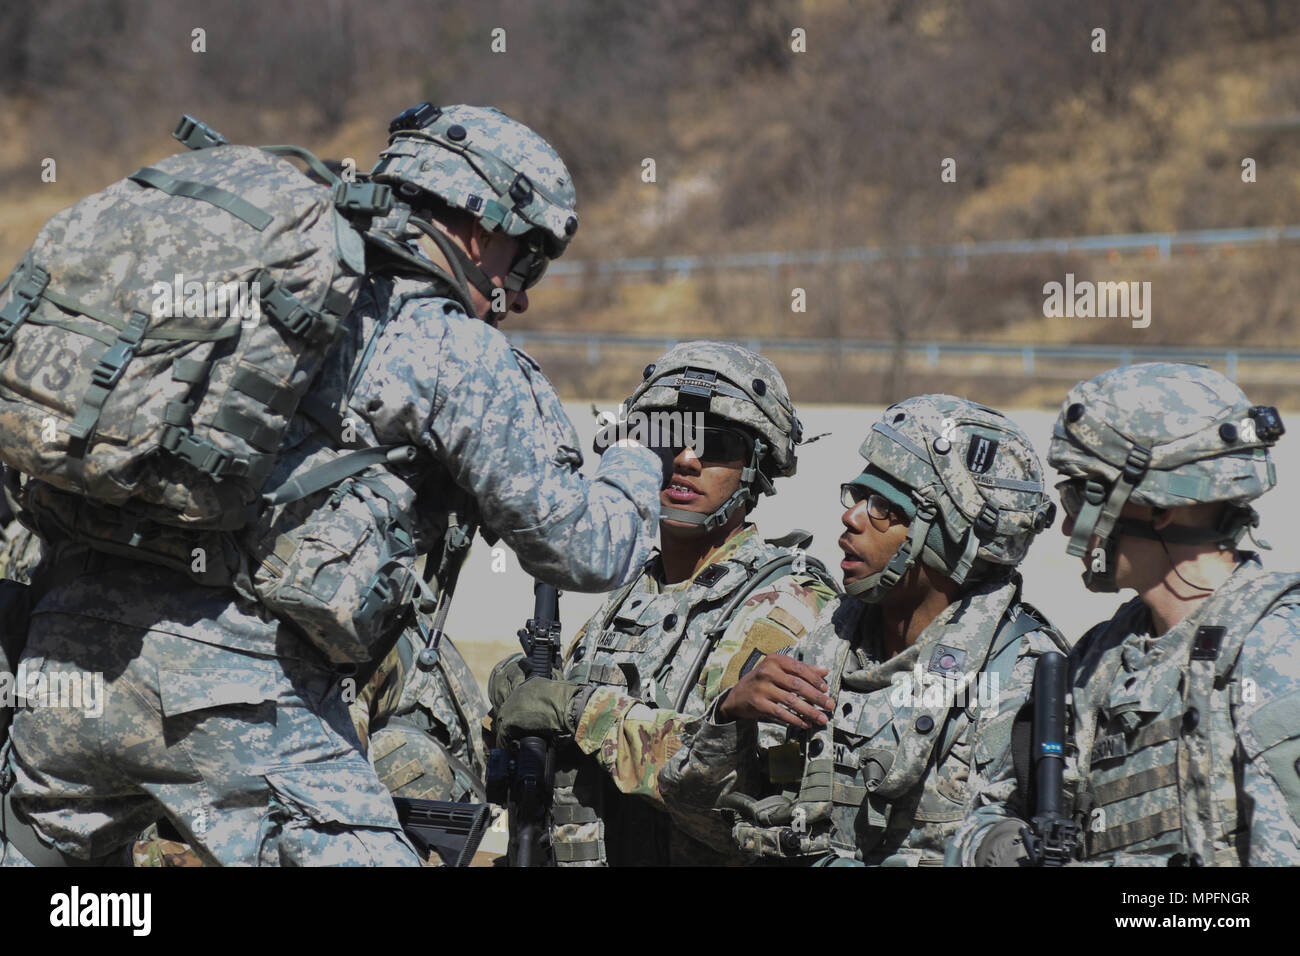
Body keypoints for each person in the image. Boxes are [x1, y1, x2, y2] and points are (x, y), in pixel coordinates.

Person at [0, 104, 664, 866]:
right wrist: (635, 458)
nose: (516, 295)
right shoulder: (445, 344)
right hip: (230, 696)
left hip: (60, 671)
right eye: (524, 260)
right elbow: (582, 548)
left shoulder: (257, 295)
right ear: (482, 229)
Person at [658, 394, 1065, 865]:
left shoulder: (1024, 679)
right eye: (857, 496)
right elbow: (704, 824)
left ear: (943, 536)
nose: (850, 518)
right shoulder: (824, 645)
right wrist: (729, 718)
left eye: (882, 507)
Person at [490, 342, 840, 865]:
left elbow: (747, 809)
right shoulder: (631, 593)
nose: (685, 459)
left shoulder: (793, 606)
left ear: (756, 468)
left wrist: (577, 708)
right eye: (668, 437)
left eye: (715, 444)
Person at [950, 363, 1300, 866]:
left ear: (1159, 507)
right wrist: (996, 846)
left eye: (1082, 496)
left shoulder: (1274, 651)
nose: (1069, 522)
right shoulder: (1100, 657)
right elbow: (994, 812)